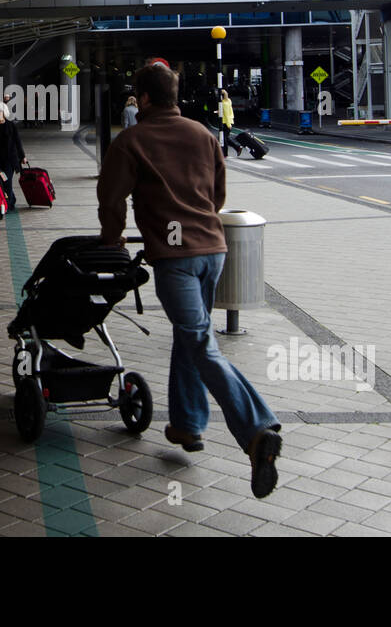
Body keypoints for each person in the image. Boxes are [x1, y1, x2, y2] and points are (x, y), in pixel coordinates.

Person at [97, 62, 282, 499]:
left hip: (176, 259)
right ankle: (187, 425)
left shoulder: (132, 140)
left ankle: (257, 432)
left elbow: (111, 198)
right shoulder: (202, 134)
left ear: (142, 98)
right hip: (214, 250)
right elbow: (218, 195)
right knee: (188, 335)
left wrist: (112, 240)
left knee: (198, 340)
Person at [0, 101, 26, 212]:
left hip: (9, 160)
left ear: (4, 113)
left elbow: (17, 142)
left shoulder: (10, 126)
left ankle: (9, 205)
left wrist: (22, 156)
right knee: (1, 181)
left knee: (7, 182)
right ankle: (12, 199)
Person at [218, 89, 244, 157]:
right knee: (225, 138)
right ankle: (237, 147)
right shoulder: (229, 101)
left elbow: (226, 114)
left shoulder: (223, 104)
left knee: (224, 138)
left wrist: (228, 124)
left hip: (225, 122)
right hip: (229, 121)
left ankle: (225, 153)